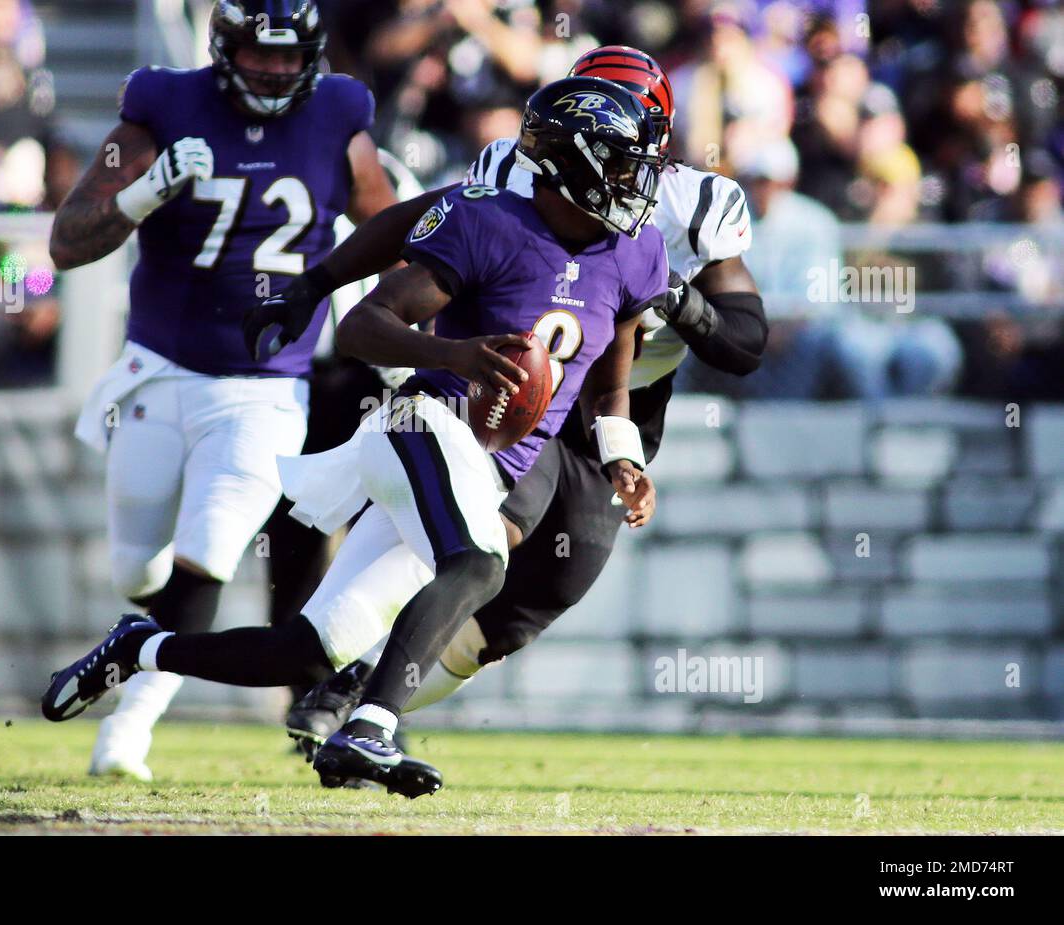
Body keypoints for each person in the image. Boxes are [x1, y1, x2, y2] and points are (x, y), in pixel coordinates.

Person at [42, 76, 670, 797]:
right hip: (421, 423)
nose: (636, 181)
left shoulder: (637, 252)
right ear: (570, 162)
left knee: (308, 651)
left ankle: (139, 646)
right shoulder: (491, 221)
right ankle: (369, 729)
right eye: (622, 163)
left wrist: (622, 456)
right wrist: (457, 355)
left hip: (486, 467)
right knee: (479, 563)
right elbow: (364, 325)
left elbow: (608, 381)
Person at [271, 47, 766, 749]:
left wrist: (673, 296)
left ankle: (369, 688)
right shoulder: (518, 168)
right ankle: (363, 697)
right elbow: (416, 219)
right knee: (479, 537)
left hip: (618, 403)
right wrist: (316, 283)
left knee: (543, 592)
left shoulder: (699, 203)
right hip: (515, 387)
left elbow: (744, 343)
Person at [46, 0, 397, 782]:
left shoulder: (340, 113)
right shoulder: (163, 104)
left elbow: (390, 238)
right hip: (158, 370)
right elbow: (65, 243)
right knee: (137, 571)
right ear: (222, 47)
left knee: (209, 555)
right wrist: (145, 194)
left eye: (288, 55)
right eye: (258, 54)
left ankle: (127, 730)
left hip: (266, 389)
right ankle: (134, 633)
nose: (275, 70)